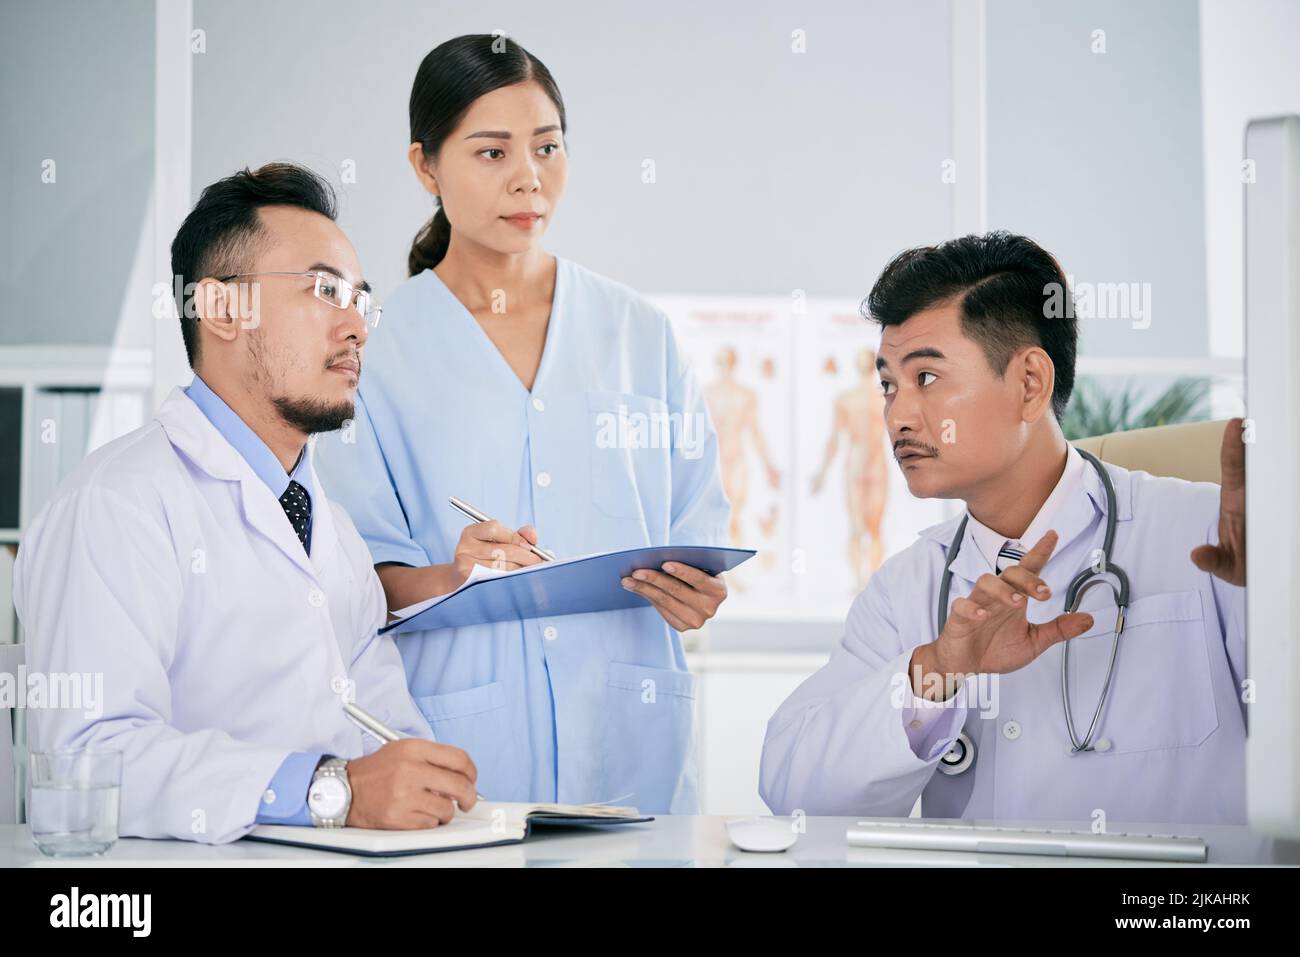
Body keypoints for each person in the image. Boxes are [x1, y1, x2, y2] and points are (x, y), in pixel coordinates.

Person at [315, 35, 730, 813]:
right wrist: (453, 576)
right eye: (492, 152)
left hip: (633, 748)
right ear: (424, 166)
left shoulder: (639, 332)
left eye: (547, 147)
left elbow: (697, 532)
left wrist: (697, 594)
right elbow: (357, 582)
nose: (528, 178)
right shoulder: (373, 347)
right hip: (461, 746)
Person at [15, 163, 478, 843]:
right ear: (222, 309)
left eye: (361, 300)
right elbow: (87, 756)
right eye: (326, 290)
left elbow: (379, 724)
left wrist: (429, 779)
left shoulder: (334, 531)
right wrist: (331, 788)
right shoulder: (115, 505)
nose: (357, 326)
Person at [760, 232, 1247, 825]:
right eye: (888, 384)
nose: (898, 415)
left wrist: (1282, 598)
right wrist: (935, 670)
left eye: (927, 379)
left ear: (1029, 384)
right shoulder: (907, 588)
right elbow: (794, 791)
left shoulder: (1211, 535)